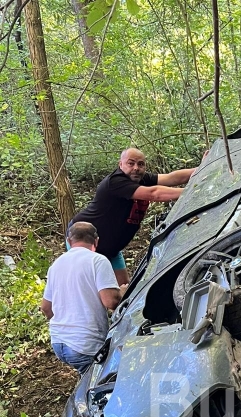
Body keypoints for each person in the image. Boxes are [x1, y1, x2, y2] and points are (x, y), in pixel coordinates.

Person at [69, 147, 196, 285]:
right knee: (89, 287)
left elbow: (171, 178)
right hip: (84, 240)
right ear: (120, 164)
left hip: (111, 248)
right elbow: (154, 193)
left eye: (140, 164)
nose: (136, 168)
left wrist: (203, 167)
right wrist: (194, 189)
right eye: (131, 163)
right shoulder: (116, 181)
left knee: (123, 288)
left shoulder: (141, 178)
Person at [41, 222, 127, 374]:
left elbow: (46, 309)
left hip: (58, 342)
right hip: (85, 344)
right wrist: (122, 292)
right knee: (103, 381)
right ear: (96, 241)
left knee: (86, 377)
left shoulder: (56, 265)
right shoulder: (98, 261)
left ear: (69, 241)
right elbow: (111, 301)